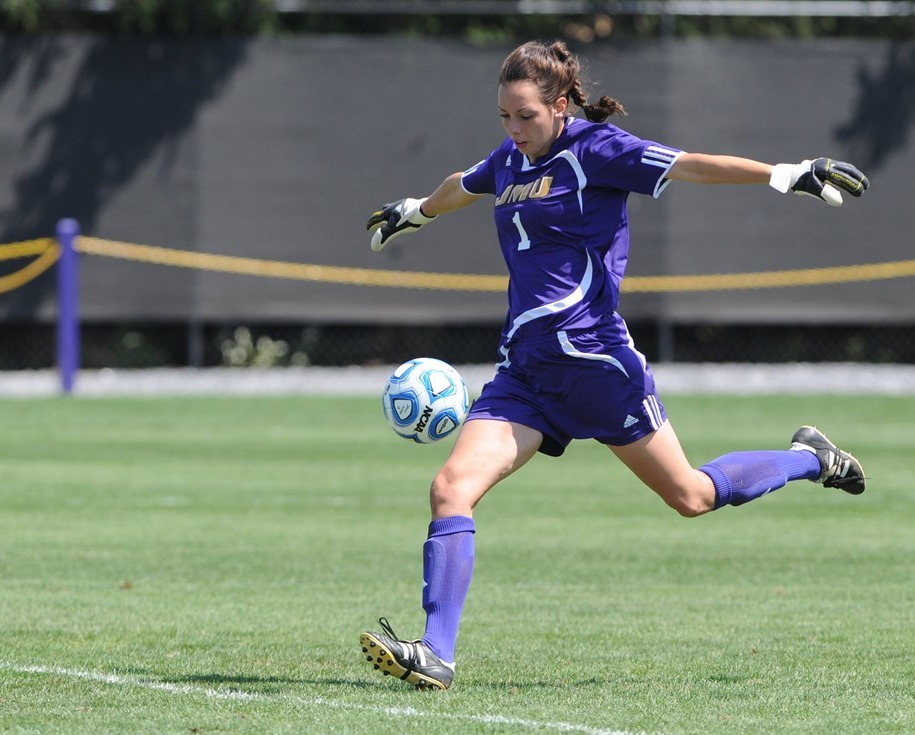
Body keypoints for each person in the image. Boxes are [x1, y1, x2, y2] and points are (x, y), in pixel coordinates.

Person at [360, 40, 870, 691]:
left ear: (560, 104)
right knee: (450, 488)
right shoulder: (510, 161)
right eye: (504, 118)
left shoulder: (598, 149)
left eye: (525, 116)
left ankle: (811, 457)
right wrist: (416, 212)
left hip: (599, 367)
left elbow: (692, 166)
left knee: (691, 495)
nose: (514, 130)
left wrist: (783, 173)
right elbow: (462, 185)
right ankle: (436, 650)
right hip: (525, 376)